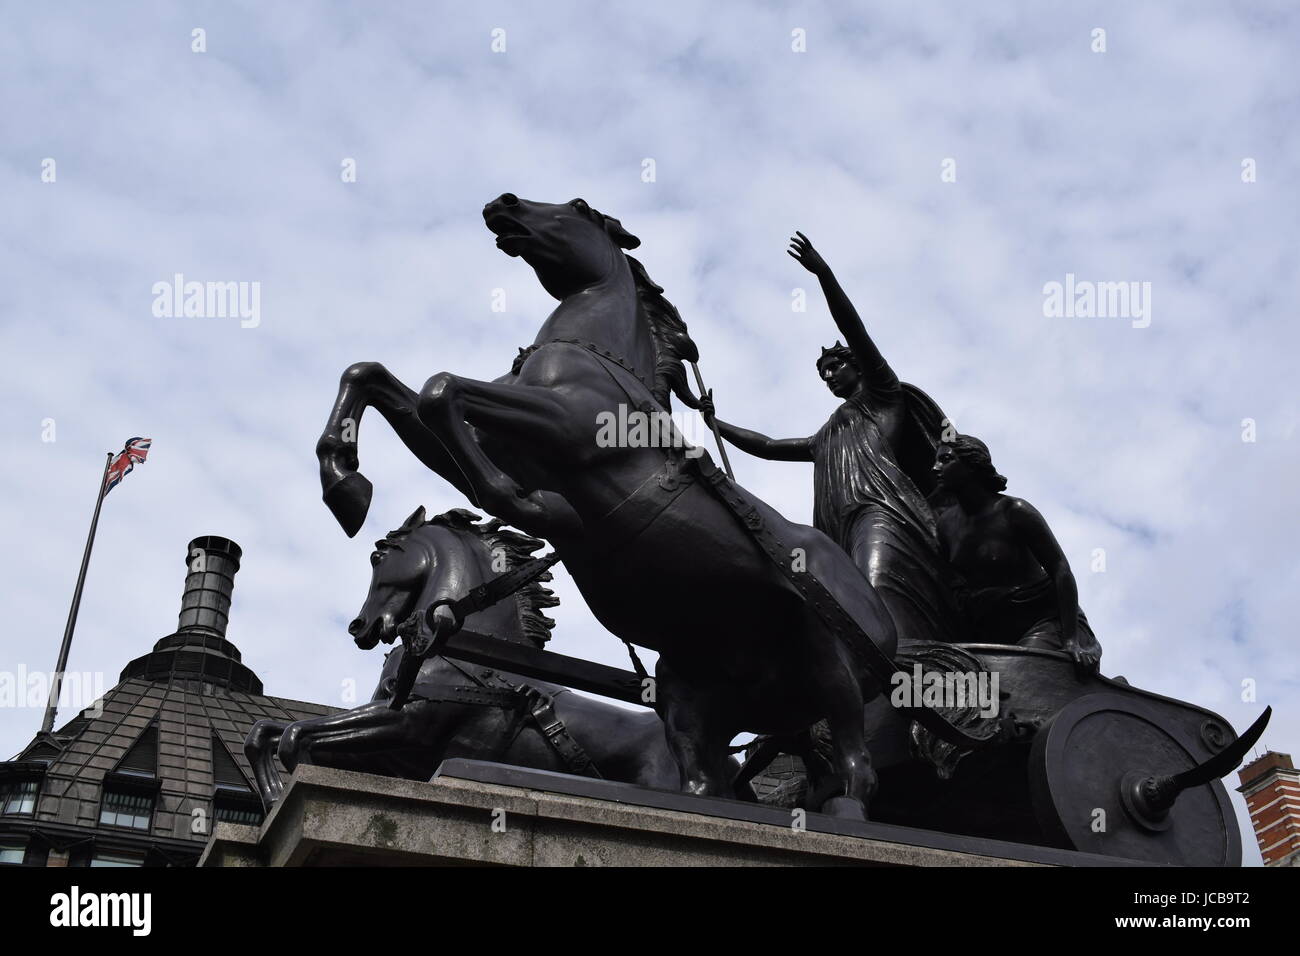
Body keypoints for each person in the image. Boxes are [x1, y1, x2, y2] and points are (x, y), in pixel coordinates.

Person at [700, 233, 964, 647]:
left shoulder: (883, 396)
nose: (828, 376)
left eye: (834, 365)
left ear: (857, 365)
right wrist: (712, 420)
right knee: (838, 604)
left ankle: (914, 666)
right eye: (822, 373)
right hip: (835, 527)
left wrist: (823, 275)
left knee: (878, 592)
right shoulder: (824, 437)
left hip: (882, 510)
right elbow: (767, 447)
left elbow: (852, 328)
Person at [930, 434, 1102, 672]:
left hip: (1044, 622)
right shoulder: (946, 525)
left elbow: (1060, 569)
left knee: (1018, 676)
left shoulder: (1014, 511)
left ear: (972, 465)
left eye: (946, 460)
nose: (935, 467)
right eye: (937, 460)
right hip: (993, 629)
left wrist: (1071, 640)